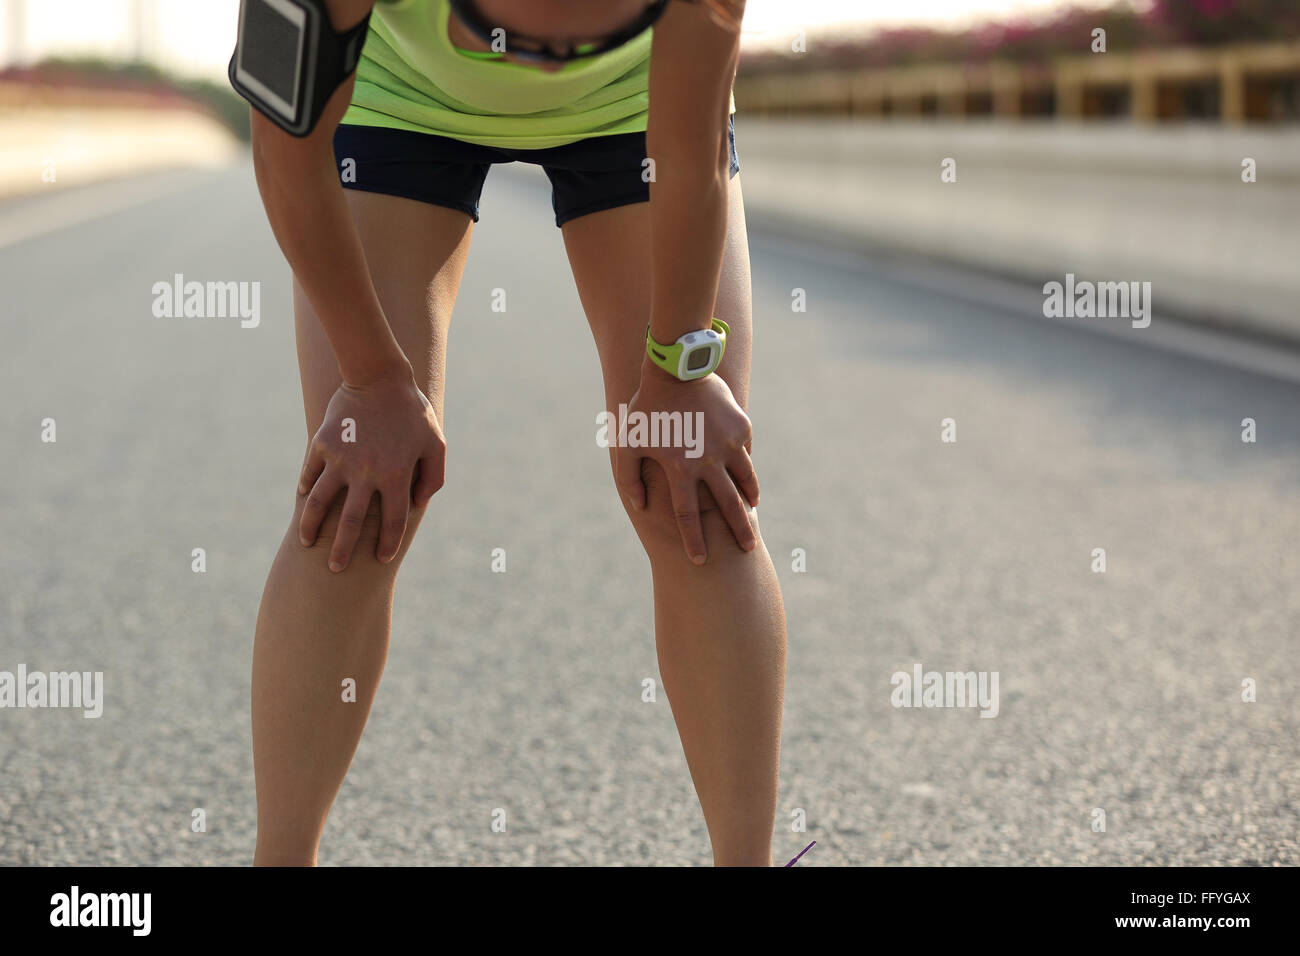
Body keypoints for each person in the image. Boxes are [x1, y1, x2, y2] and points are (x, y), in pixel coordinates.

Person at [244, 0, 787, 866]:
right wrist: (374, 380)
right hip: (397, 95)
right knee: (360, 489)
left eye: (577, 41)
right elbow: (284, 154)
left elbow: (689, 160)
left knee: (696, 490)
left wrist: (677, 376)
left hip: (635, 109)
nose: (538, 68)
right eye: (524, 41)